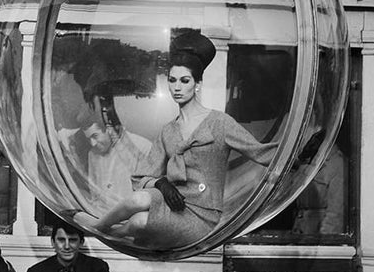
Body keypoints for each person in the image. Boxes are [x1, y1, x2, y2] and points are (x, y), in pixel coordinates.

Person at [79, 32, 277, 249]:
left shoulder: (219, 123)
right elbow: (139, 178)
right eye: (172, 81)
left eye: (185, 81)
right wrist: (161, 184)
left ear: (197, 84)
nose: (177, 87)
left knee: (139, 222)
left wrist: (300, 156)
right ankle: (101, 228)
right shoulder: (169, 131)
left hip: (202, 214)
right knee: (137, 204)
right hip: (172, 203)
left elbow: (261, 152)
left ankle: (104, 231)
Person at [79, 108, 151, 211]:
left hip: (129, 217)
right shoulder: (92, 154)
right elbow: (94, 194)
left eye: (95, 136)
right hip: (100, 214)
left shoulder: (142, 147)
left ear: (109, 129)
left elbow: (150, 195)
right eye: (88, 138)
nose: (92, 143)